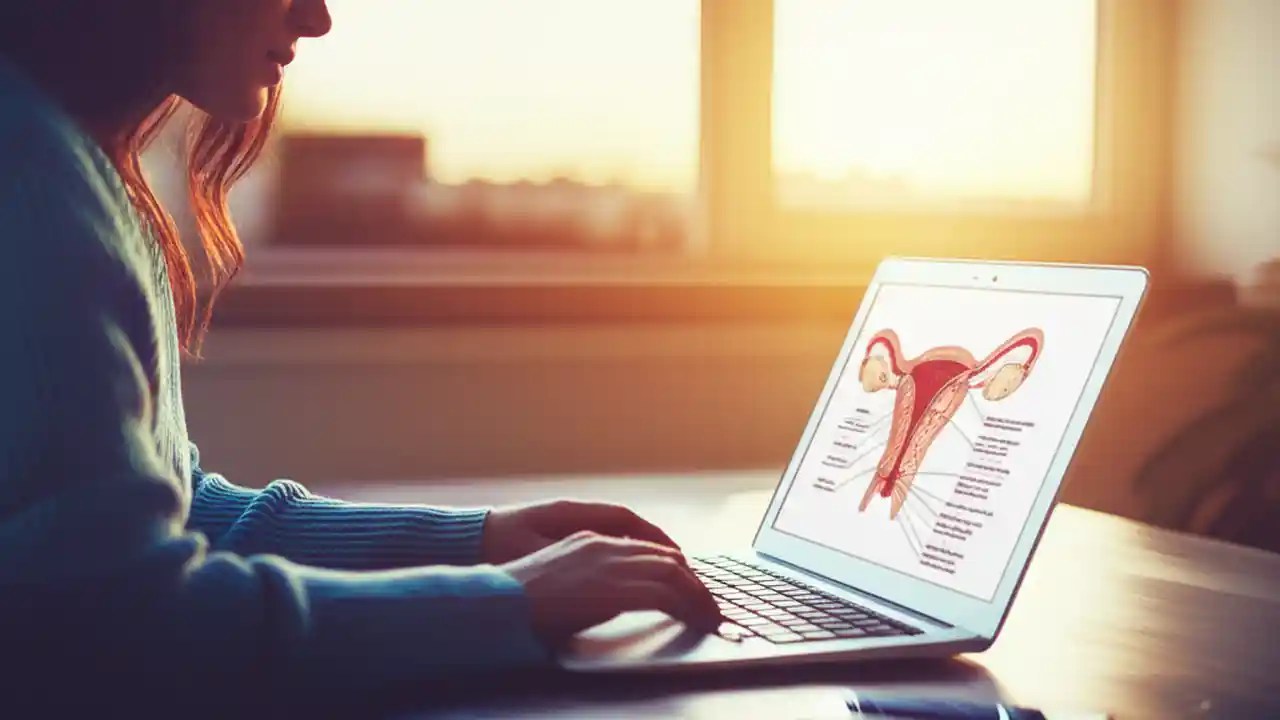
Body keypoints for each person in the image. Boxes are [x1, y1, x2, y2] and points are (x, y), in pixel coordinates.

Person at [0, 0, 719, 713]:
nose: (316, 18)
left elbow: (181, 510)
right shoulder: (33, 189)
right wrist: (506, 601)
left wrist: (477, 542)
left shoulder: (73, 161)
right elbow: (125, 626)